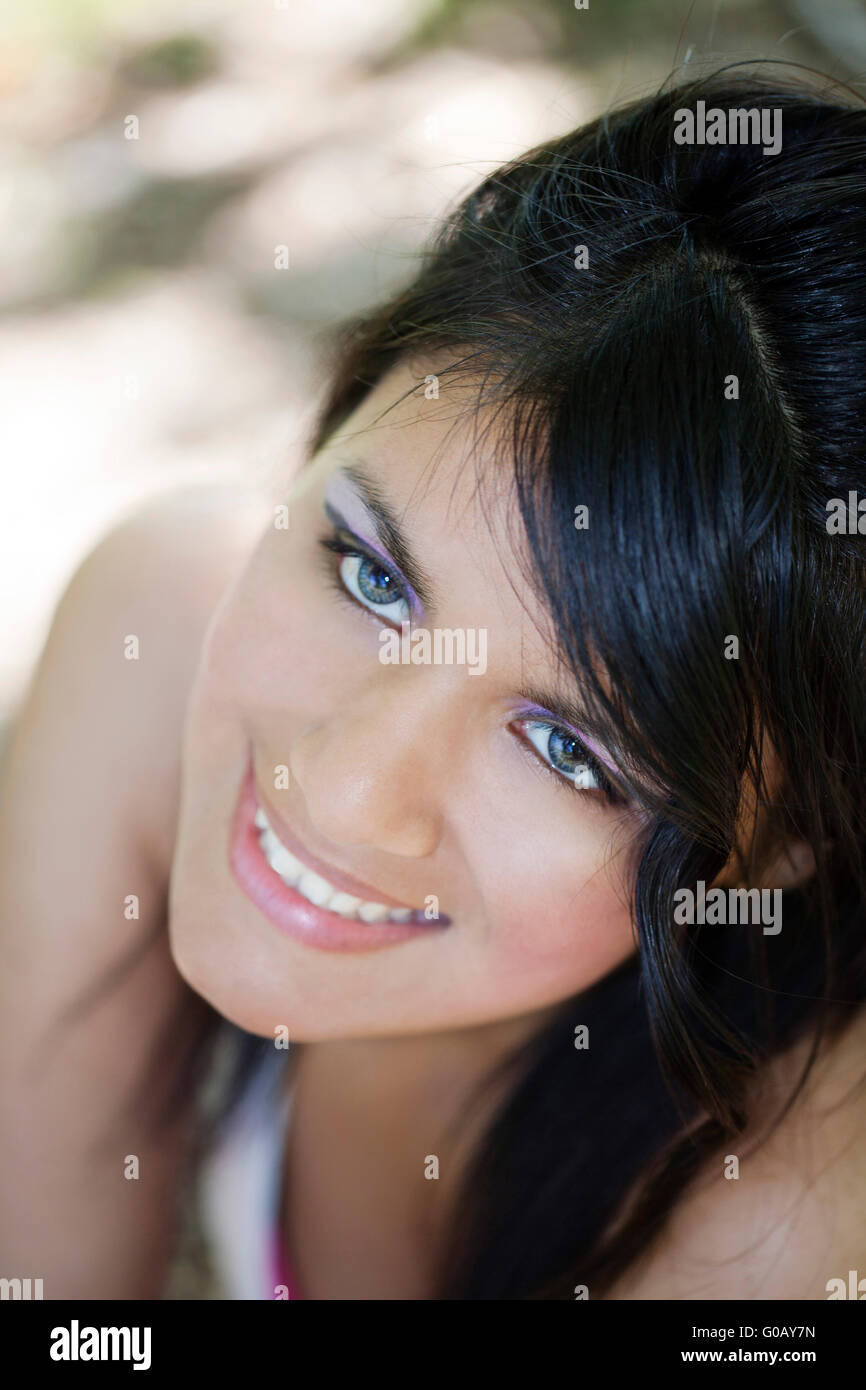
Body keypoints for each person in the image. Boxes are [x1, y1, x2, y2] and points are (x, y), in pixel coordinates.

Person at [1, 64, 865, 1301]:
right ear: (333, 419)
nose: (345, 792)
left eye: (571, 753)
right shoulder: (157, 629)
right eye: (365, 575)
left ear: (774, 850)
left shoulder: (771, 1234)